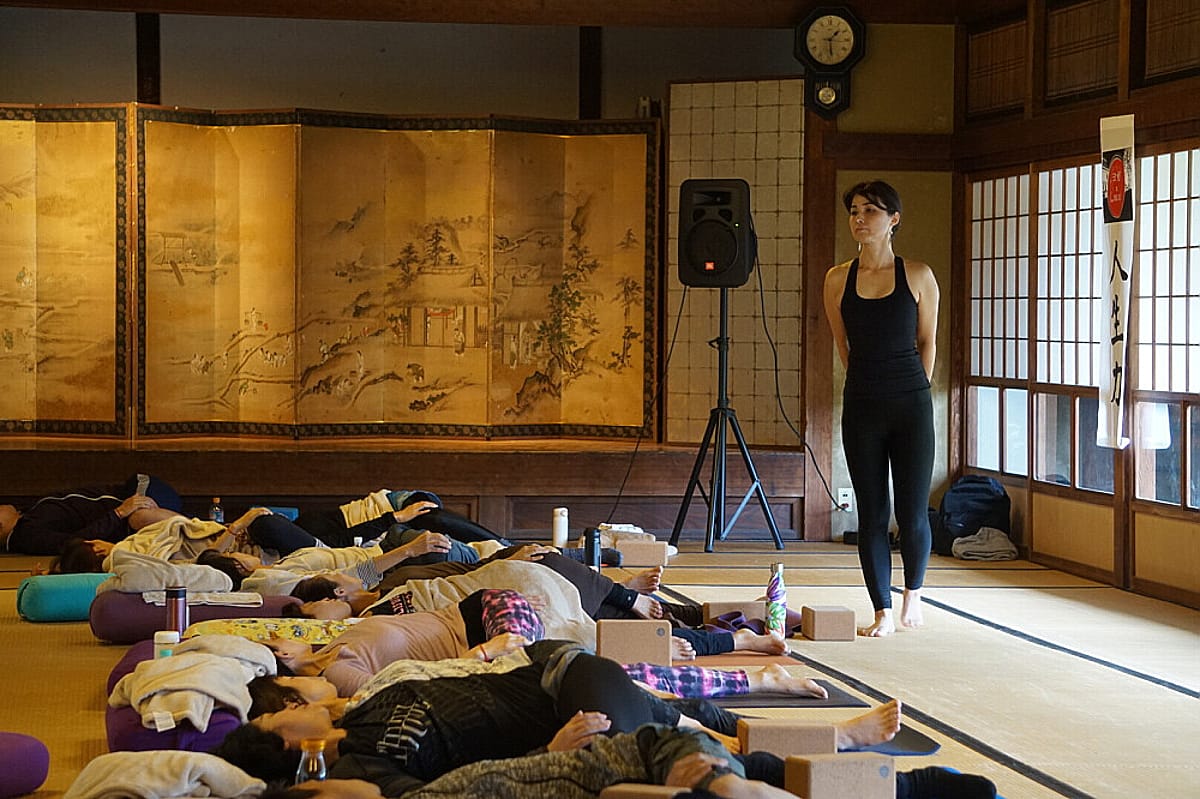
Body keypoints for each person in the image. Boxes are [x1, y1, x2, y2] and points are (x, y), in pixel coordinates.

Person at [823, 180, 940, 637]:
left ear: (893, 219)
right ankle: (882, 609)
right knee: (871, 511)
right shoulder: (837, 278)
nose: (859, 218)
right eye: (854, 210)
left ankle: (914, 594)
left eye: (870, 210)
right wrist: (868, 384)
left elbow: (927, 342)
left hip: (911, 405)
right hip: (862, 405)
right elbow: (843, 344)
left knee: (911, 510)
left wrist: (913, 389)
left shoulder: (918, 274)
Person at [0, 474, 183, 557]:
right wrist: (119, 513)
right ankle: (205, 529)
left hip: (133, 491)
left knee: (141, 514)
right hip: (131, 510)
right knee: (140, 517)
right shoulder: (28, 534)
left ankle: (200, 528)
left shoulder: (27, 519)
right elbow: (74, 542)